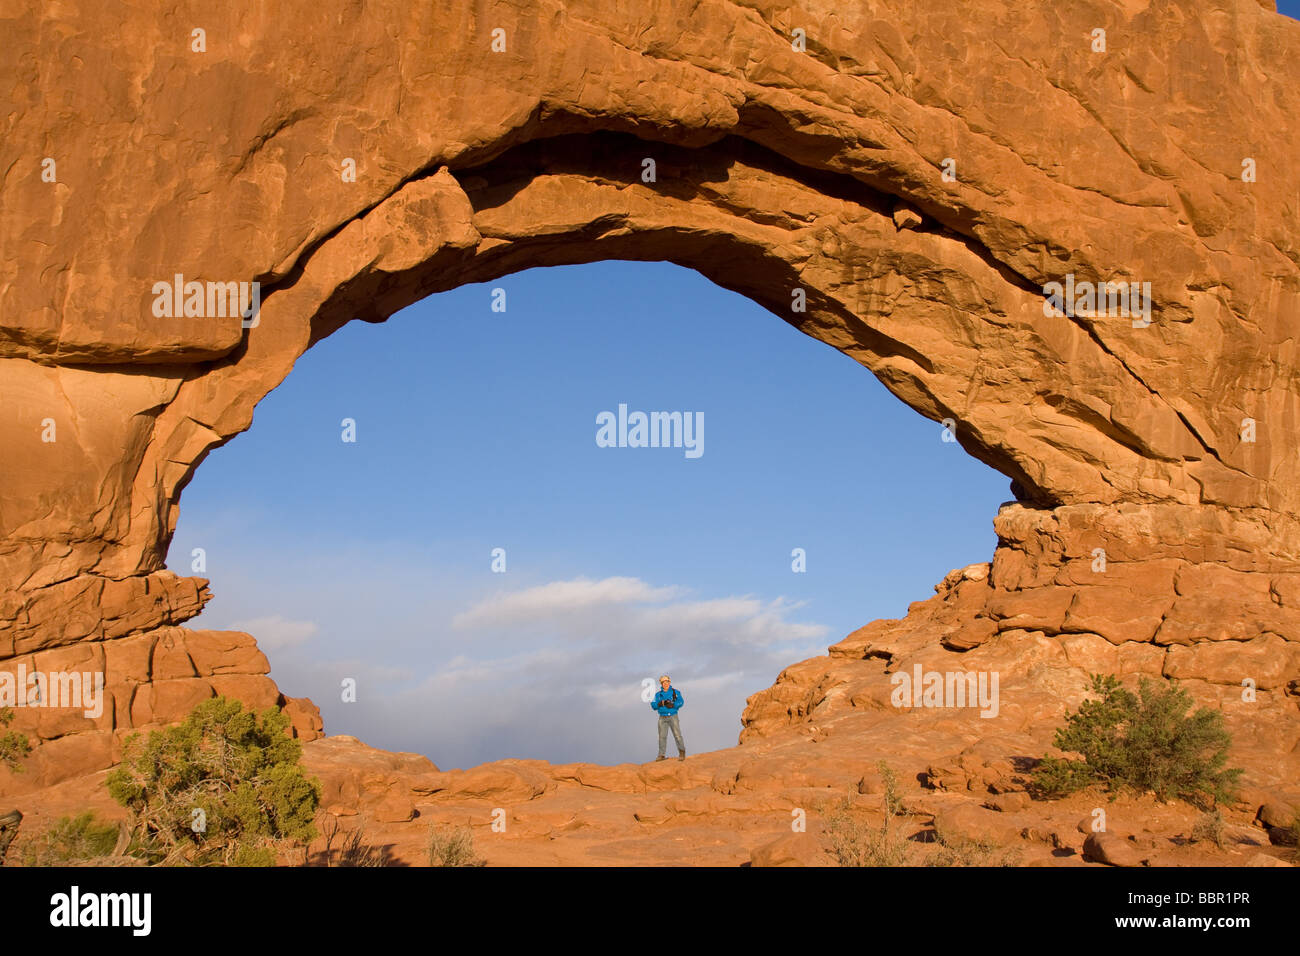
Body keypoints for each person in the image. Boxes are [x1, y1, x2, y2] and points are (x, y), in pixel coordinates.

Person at [650, 675, 686, 761]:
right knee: (662, 737)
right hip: (662, 717)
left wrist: (673, 705)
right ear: (661, 684)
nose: (665, 684)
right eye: (663, 682)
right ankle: (661, 755)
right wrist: (660, 703)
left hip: (673, 716)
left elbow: (681, 702)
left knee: (677, 735)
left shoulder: (675, 692)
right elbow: (653, 705)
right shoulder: (658, 695)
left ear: (669, 682)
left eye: (666, 682)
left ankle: (682, 752)